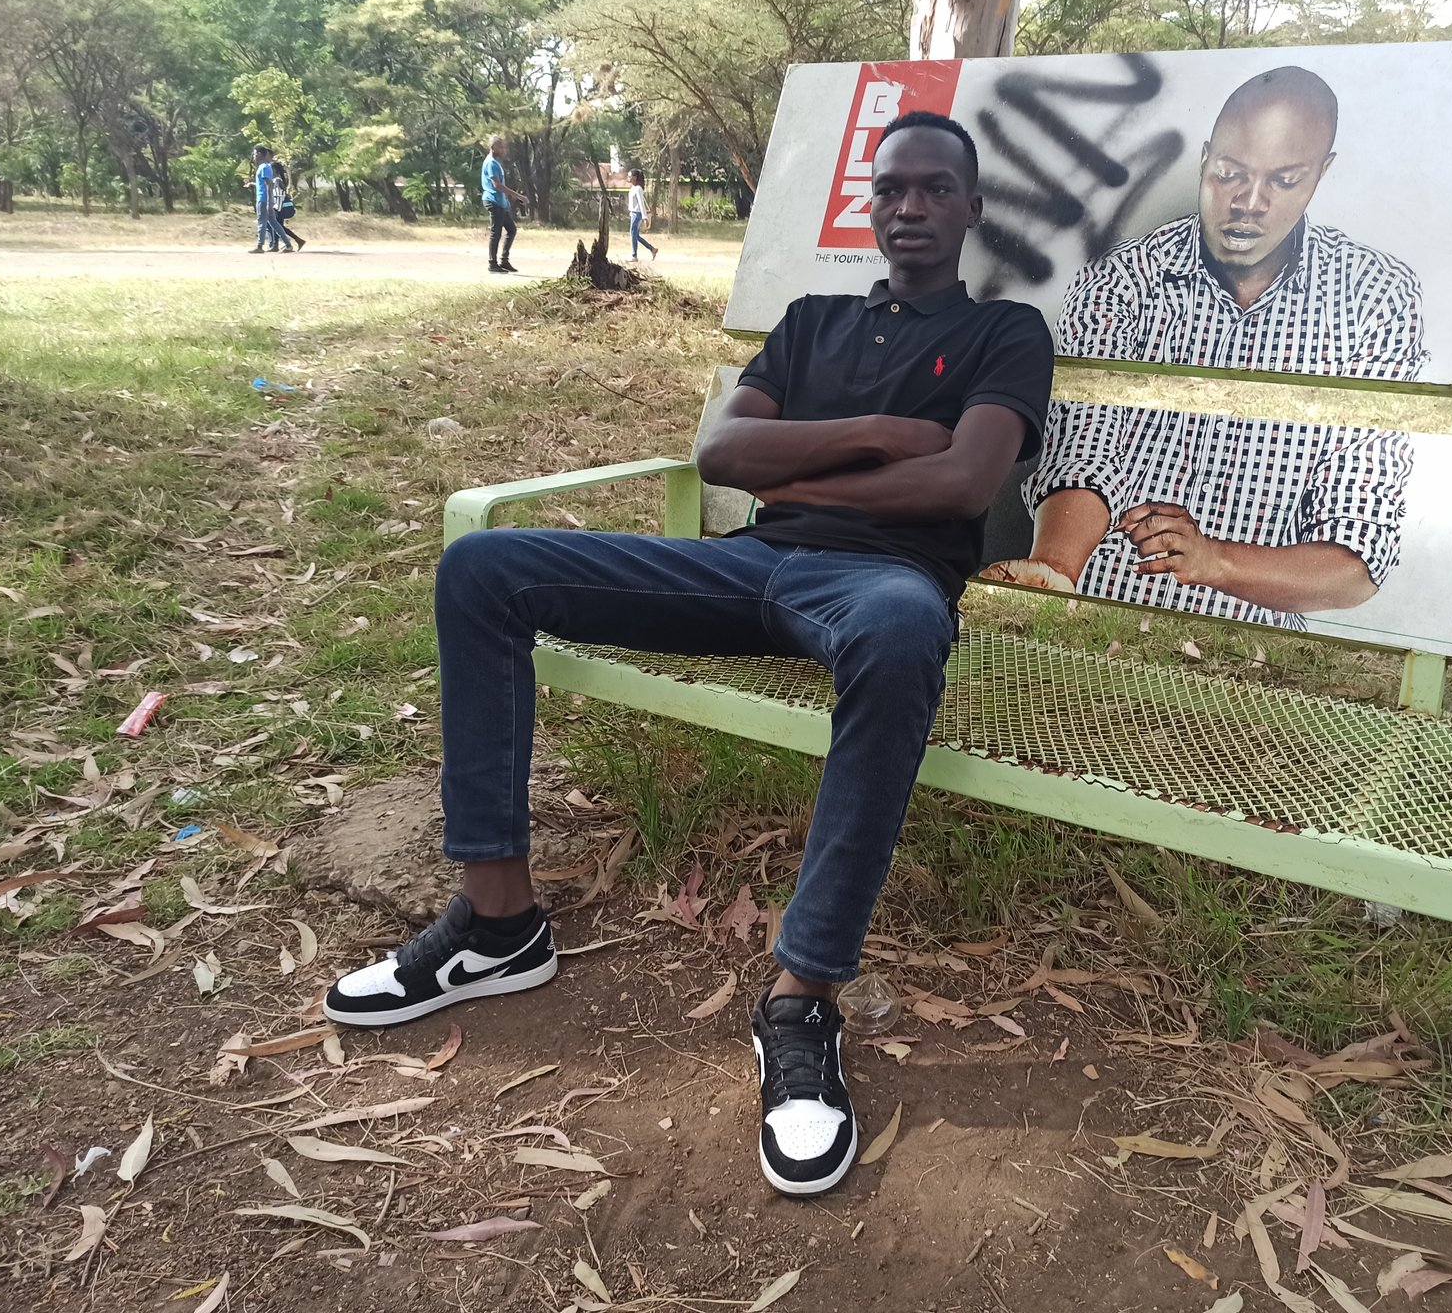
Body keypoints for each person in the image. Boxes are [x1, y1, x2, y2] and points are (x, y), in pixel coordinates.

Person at [324, 110, 1054, 1198]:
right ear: (870, 205)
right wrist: (877, 436)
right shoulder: (811, 322)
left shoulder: (1006, 333)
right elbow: (722, 453)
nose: (910, 207)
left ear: (972, 208)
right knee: (482, 567)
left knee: (905, 631)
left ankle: (800, 1001)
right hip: (743, 566)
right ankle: (498, 922)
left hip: (879, 584)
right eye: (891, 188)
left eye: (935, 189)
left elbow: (960, 484)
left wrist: (796, 469)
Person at [981, 67, 1418, 625]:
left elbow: (1357, 560)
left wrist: (1213, 561)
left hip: (1244, 650)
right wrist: (1056, 569)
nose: (1249, 202)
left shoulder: (1375, 298)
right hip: (1086, 617)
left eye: (1285, 181)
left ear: (1322, 173)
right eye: (1229, 174)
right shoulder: (1124, 280)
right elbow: (1084, 452)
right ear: (1205, 159)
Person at [482, 136, 529, 274]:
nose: (503, 149)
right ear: (492, 147)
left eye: (503, 146)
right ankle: (492, 264)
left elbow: (500, 185)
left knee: (511, 229)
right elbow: (497, 185)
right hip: (493, 201)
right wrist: (518, 196)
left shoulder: (496, 162)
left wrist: (506, 201)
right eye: (500, 147)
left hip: (500, 202)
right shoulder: (491, 163)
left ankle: (504, 261)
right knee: (496, 233)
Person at [247, 145, 280, 254]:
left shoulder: (264, 167)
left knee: (262, 222)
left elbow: (268, 185)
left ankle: (260, 246)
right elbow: (263, 185)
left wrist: (269, 201)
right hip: (264, 198)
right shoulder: (264, 167)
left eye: (255, 154)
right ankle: (286, 243)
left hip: (263, 199)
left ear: (260, 154)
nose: (254, 156)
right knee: (272, 222)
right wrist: (253, 184)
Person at [271, 161, 305, 252]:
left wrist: (276, 208)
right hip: (279, 207)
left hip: (279, 207)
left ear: (275, 170)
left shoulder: (277, 180)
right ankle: (278, 244)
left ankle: (289, 243)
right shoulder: (276, 180)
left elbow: (279, 195)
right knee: (279, 226)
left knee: (278, 226)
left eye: (271, 169)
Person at [627, 168, 658, 262]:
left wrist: (645, 217)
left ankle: (634, 255)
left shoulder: (638, 189)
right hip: (633, 213)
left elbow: (641, 203)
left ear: (635, 177)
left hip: (637, 214)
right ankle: (652, 249)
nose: (628, 177)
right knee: (635, 235)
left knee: (633, 234)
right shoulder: (633, 188)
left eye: (630, 176)